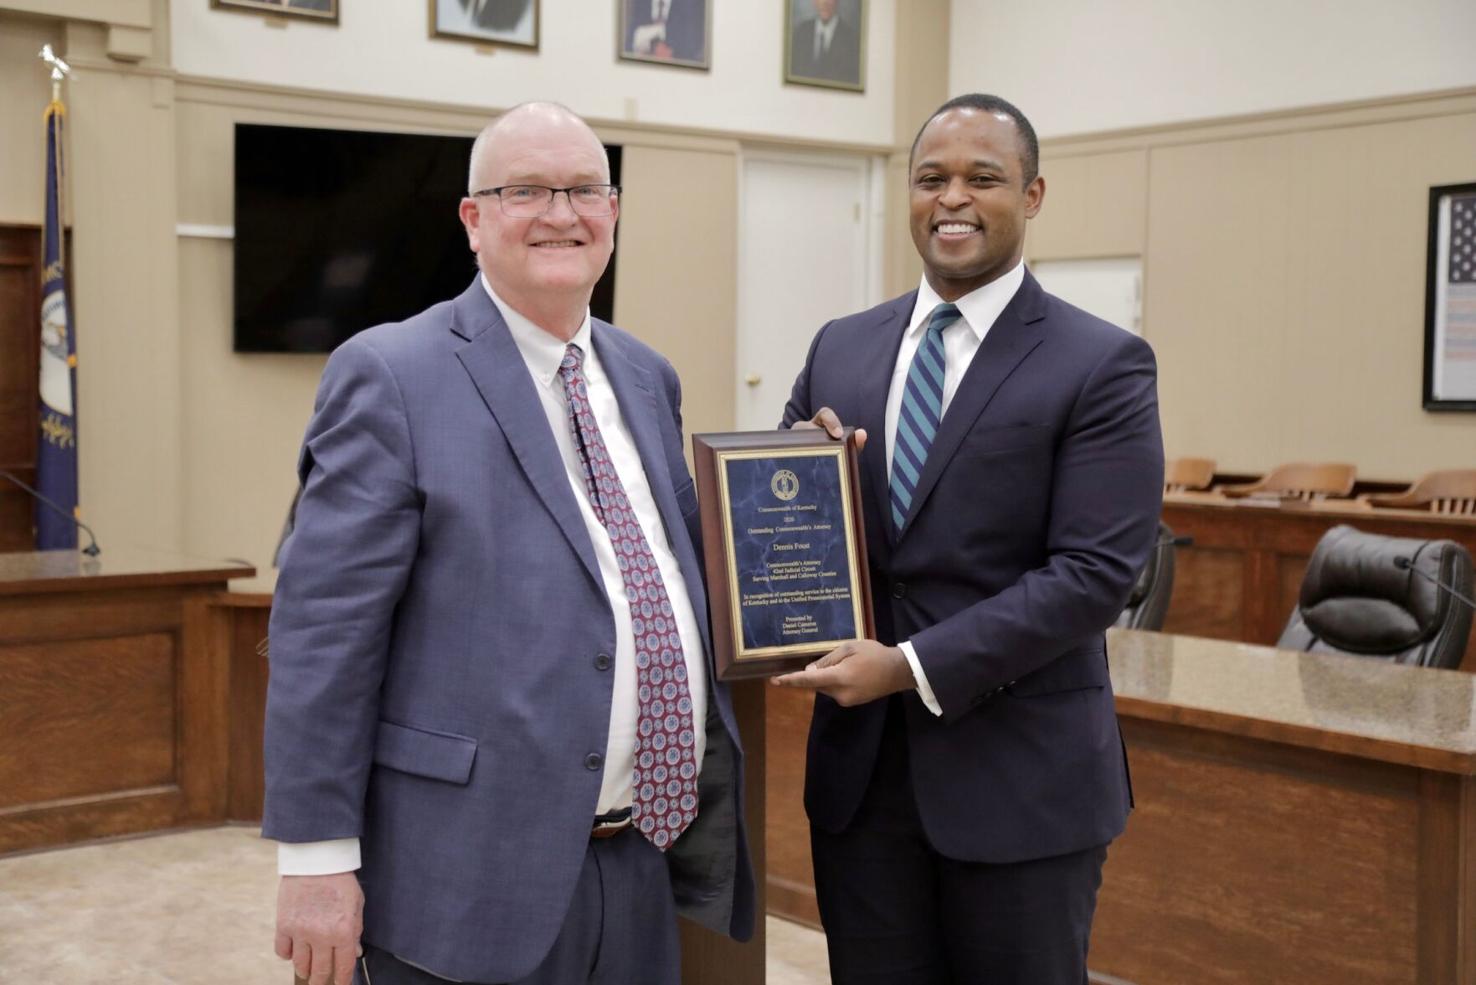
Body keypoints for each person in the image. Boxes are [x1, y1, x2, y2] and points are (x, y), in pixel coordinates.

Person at [263, 102, 754, 985]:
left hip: (639, 857)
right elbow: (323, 633)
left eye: (584, 190)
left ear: (613, 212)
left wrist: (815, 501)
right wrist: (316, 858)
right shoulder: (391, 374)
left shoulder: (646, 376)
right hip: (464, 874)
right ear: (473, 218)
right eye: (526, 190)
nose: (561, 214)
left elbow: (664, 577)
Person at [775, 93, 1164, 984]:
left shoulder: (1100, 362)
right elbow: (787, 528)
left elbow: (1094, 575)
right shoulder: (841, 347)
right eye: (931, 179)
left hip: (1022, 787)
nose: (952, 198)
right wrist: (789, 470)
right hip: (862, 787)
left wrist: (907, 666)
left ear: (1031, 195)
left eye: (982, 178)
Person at [788, 0, 861, 85]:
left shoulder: (852, 40)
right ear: (814, 1)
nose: (824, 2)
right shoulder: (800, 33)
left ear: (837, 1)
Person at [624, 0, 706, 63]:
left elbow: (693, 45)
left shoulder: (692, 3)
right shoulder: (641, 2)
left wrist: (671, 50)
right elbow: (629, 44)